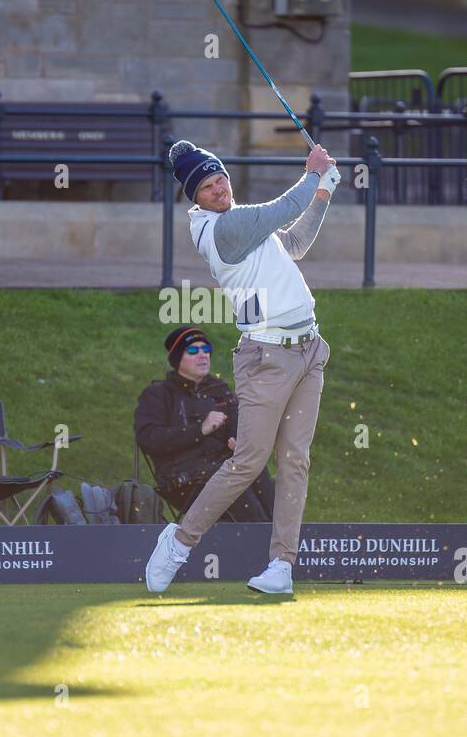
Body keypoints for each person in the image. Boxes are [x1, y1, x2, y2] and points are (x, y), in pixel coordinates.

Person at [145, 139, 340, 595]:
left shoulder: (239, 221)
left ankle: (281, 566)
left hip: (309, 350)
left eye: (221, 179)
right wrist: (313, 173)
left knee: (295, 460)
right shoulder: (224, 230)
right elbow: (282, 209)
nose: (219, 189)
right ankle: (178, 541)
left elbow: (293, 243)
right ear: (195, 198)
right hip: (267, 359)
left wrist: (323, 194)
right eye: (208, 186)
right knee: (248, 461)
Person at [134, 326, 274, 523]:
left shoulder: (220, 390)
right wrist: (199, 430)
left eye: (206, 350)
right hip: (181, 478)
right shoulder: (158, 394)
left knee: (255, 468)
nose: (202, 355)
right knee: (231, 478)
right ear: (176, 358)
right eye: (193, 350)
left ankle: (279, 539)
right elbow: (148, 438)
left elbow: (239, 426)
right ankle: (262, 541)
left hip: (222, 469)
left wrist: (240, 440)